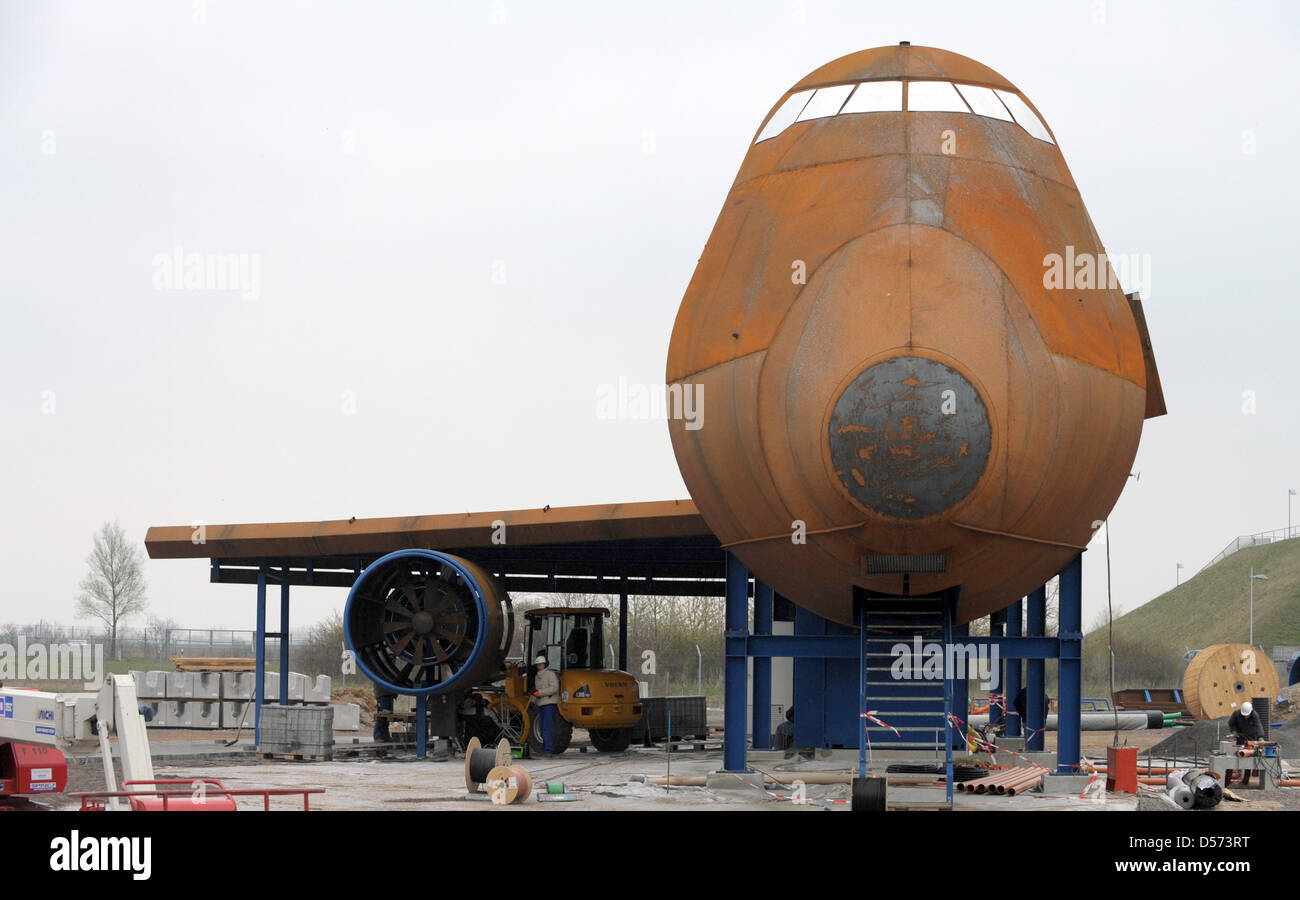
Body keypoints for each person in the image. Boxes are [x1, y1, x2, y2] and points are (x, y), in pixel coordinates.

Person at [1228, 701, 1265, 786]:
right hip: (1240, 736)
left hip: (1252, 737)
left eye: (1247, 715)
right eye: (1244, 715)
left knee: (1249, 756)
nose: (1245, 716)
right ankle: (1230, 778)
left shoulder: (1254, 715)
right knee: (1237, 755)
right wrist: (1234, 732)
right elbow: (1231, 723)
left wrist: (1260, 737)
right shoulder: (1236, 713)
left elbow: (1258, 726)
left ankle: (1246, 780)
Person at [531, 655, 560, 757]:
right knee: (542, 728)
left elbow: (555, 688)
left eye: (541, 664)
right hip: (541, 704)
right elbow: (537, 692)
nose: (540, 666)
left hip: (549, 704)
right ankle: (545, 749)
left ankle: (548, 750)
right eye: (538, 664)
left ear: (545, 664)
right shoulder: (537, 677)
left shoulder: (550, 674)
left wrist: (540, 693)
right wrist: (534, 699)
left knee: (547, 728)